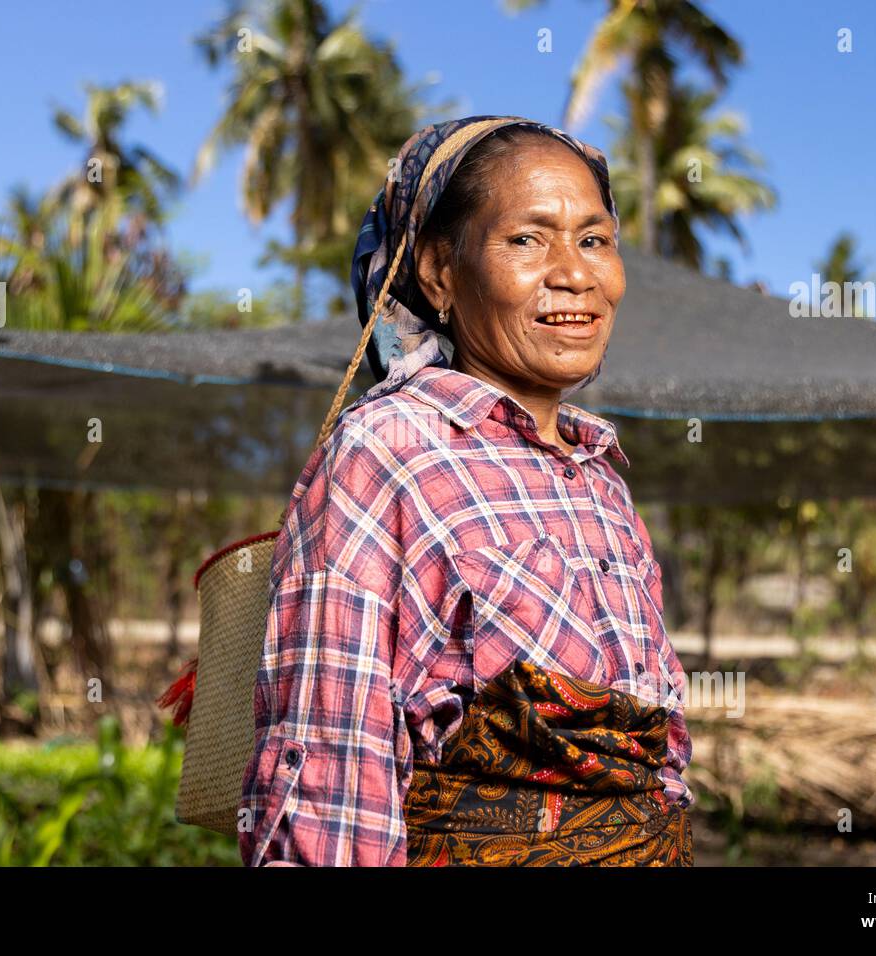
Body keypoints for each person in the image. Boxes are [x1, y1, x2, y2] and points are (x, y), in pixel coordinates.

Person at [239, 115, 693, 867]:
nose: (575, 273)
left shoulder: (603, 477)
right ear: (439, 272)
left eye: (594, 239)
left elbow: (658, 757)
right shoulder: (388, 451)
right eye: (527, 238)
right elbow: (331, 770)